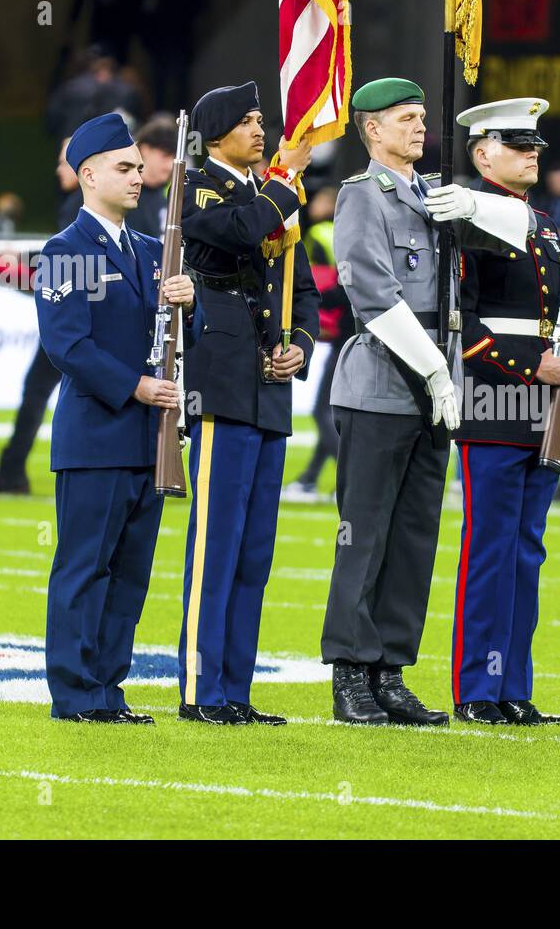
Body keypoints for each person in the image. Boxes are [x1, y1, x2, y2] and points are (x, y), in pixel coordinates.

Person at [320, 77, 532, 726]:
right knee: (365, 536)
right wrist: (438, 370)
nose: (419, 127)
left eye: (420, 116)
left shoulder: (433, 196)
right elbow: (373, 295)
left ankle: (390, 669)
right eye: (404, 119)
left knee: (414, 538)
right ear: (372, 129)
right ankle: (351, 674)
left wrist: (469, 204)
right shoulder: (363, 197)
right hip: (382, 386)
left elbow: (522, 231)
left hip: (433, 395)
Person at [35, 113, 196, 722]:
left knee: (129, 578)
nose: (138, 177)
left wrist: (191, 304)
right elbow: (67, 345)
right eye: (125, 168)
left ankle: (108, 689)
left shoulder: (158, 252)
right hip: (98, 435)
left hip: (148, 439)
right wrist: (136, 388)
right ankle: (75, 693)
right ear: (89, 174)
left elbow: (184, 340)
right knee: (84, 569)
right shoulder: (64, 250)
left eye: (138, 167)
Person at [449, 97, 560, 725]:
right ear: (484, 154)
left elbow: (554, 317)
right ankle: (477, 691)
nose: (532, 153)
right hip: (493, 401)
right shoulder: (471, 218)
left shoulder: (542, 223)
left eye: (535, 144)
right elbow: (464, 320)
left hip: (544, 407)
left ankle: (513, 685)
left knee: (526, 550)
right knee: (490, 547)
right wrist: (529, 363)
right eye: (518, 145)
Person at [176, 81, 321, 726]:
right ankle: (200, 690)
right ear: (216, 133)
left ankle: (236, 687)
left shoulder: (271, 194)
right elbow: (237, 232)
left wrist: (303, 344)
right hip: (224, 372)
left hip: (269, 382)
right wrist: (286, 182)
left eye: (264, 120)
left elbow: (306, 285)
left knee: (255, 548)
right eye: (250, 121)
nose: (263, 131)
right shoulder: (199, 185)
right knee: (217, 543)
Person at [0, 137, 80, 496]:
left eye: (64, 162)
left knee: (37, 391)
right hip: (77, 317)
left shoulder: (79, 206)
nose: (57, 169)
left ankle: (13, 469)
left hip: (71, 322)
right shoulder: (85, 204)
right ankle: (13, 468)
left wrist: (17, 266)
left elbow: (63, 258)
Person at [286, 184, 350, 501]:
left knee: (322, 411)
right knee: (330, 412)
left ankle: (350, 481)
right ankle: (309, 479)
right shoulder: (349, 232)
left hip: (346, 338)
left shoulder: (325, 232)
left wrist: (310, 299)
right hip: (350, 338)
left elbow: (337, 286)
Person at [125, 114, 177, 237]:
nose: (170, 166)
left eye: (173, 157)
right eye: (165, 156)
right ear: (145, 150)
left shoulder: (174, 193)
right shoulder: (120, 190)